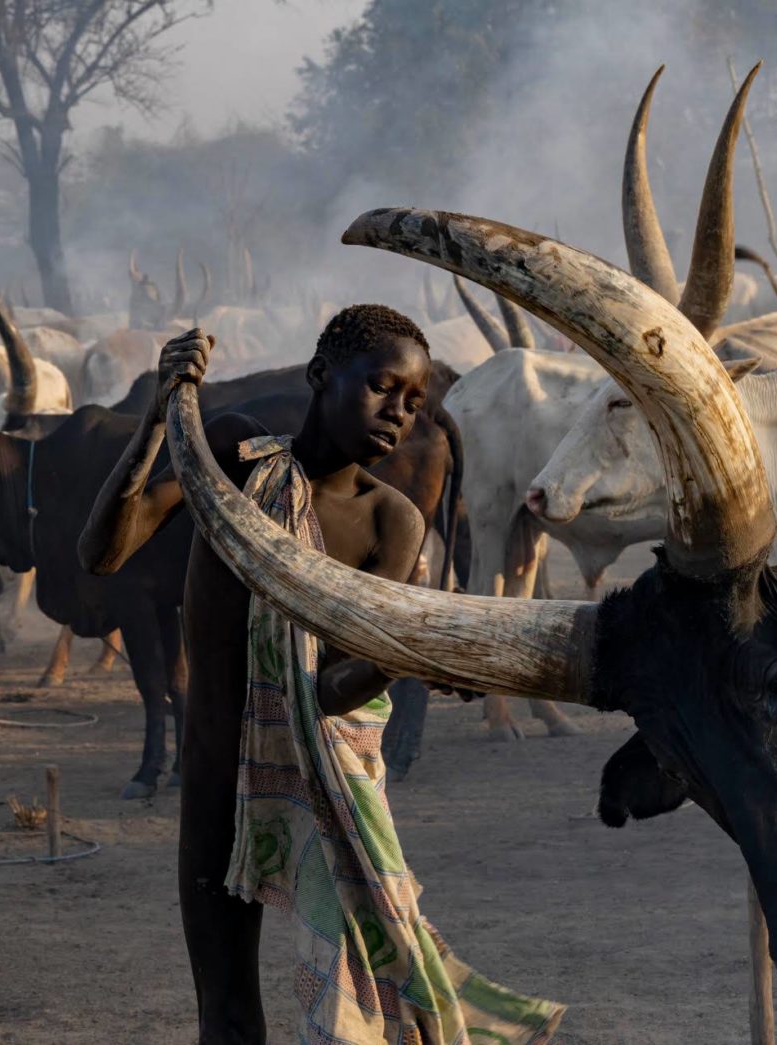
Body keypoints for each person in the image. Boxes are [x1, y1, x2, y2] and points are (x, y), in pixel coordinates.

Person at [78, 307, 563, 1044]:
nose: (397, 412)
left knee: (360, 1010)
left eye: (413, 400)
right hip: (216, 783)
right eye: (380, 386)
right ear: (319, 376)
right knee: (230, 1016)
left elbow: (328, 692)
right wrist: (160, 416)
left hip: (325, 787)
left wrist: (406, 657)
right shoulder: (238, 454)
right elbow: (102, 552)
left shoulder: (391, 521)